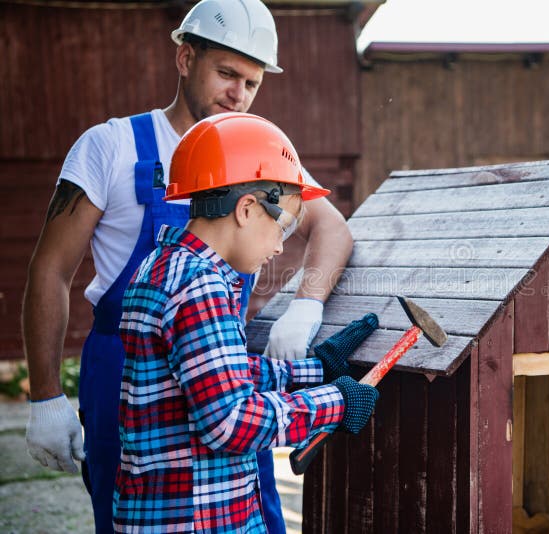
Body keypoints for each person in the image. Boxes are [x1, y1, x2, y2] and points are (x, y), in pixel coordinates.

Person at [21, 1, 353, 532]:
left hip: (218, 355)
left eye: (251, 82)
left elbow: (332, 227)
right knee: (134, 508)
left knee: (242, 505)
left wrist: (307, 307)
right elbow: (51, 271)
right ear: (185, 57)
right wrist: (44, 395)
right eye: (226, 73)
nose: (238, 95)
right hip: (126, 367)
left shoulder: (256, 153)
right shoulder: (111, 146)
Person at [113, 112, 377, 533]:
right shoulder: (201, 286)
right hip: (198, 519)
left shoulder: (162, 267)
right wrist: (335, 402)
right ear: (247, 208)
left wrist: (316, 370)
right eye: (283, 227)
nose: (278, 247)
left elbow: (215, 372)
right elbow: (230, 420)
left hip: (161, 512)